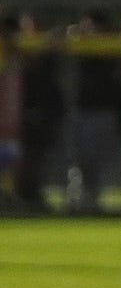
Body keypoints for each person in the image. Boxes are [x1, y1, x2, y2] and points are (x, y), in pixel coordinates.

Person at [66, 14, 121, 210]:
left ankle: (93, 199)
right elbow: (65, 36)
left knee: (98, 160)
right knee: (80, 159)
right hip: (83, 111)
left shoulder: (111, 47)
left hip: (105, 112)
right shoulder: (81, 46)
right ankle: (77, 199)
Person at [14, 20, 66, 211]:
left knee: (37, 157)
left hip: (42, 114)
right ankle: (19, 195)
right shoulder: (15, 51)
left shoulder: (46, 59)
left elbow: (60, 35)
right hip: (17, 114)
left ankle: (32, 194)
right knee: (19, 158)